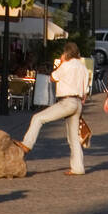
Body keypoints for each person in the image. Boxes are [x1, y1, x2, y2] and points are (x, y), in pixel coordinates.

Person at [15, 41, 87, 175]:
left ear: (66, 53)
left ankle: (27, 144)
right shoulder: (82, 67)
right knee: (74, 139)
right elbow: (85, 90)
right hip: (78, 102)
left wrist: (60, 62)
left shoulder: (66, 65)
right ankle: (78, 168)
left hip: (67, 101)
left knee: (38, 118)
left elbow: (53, 78)